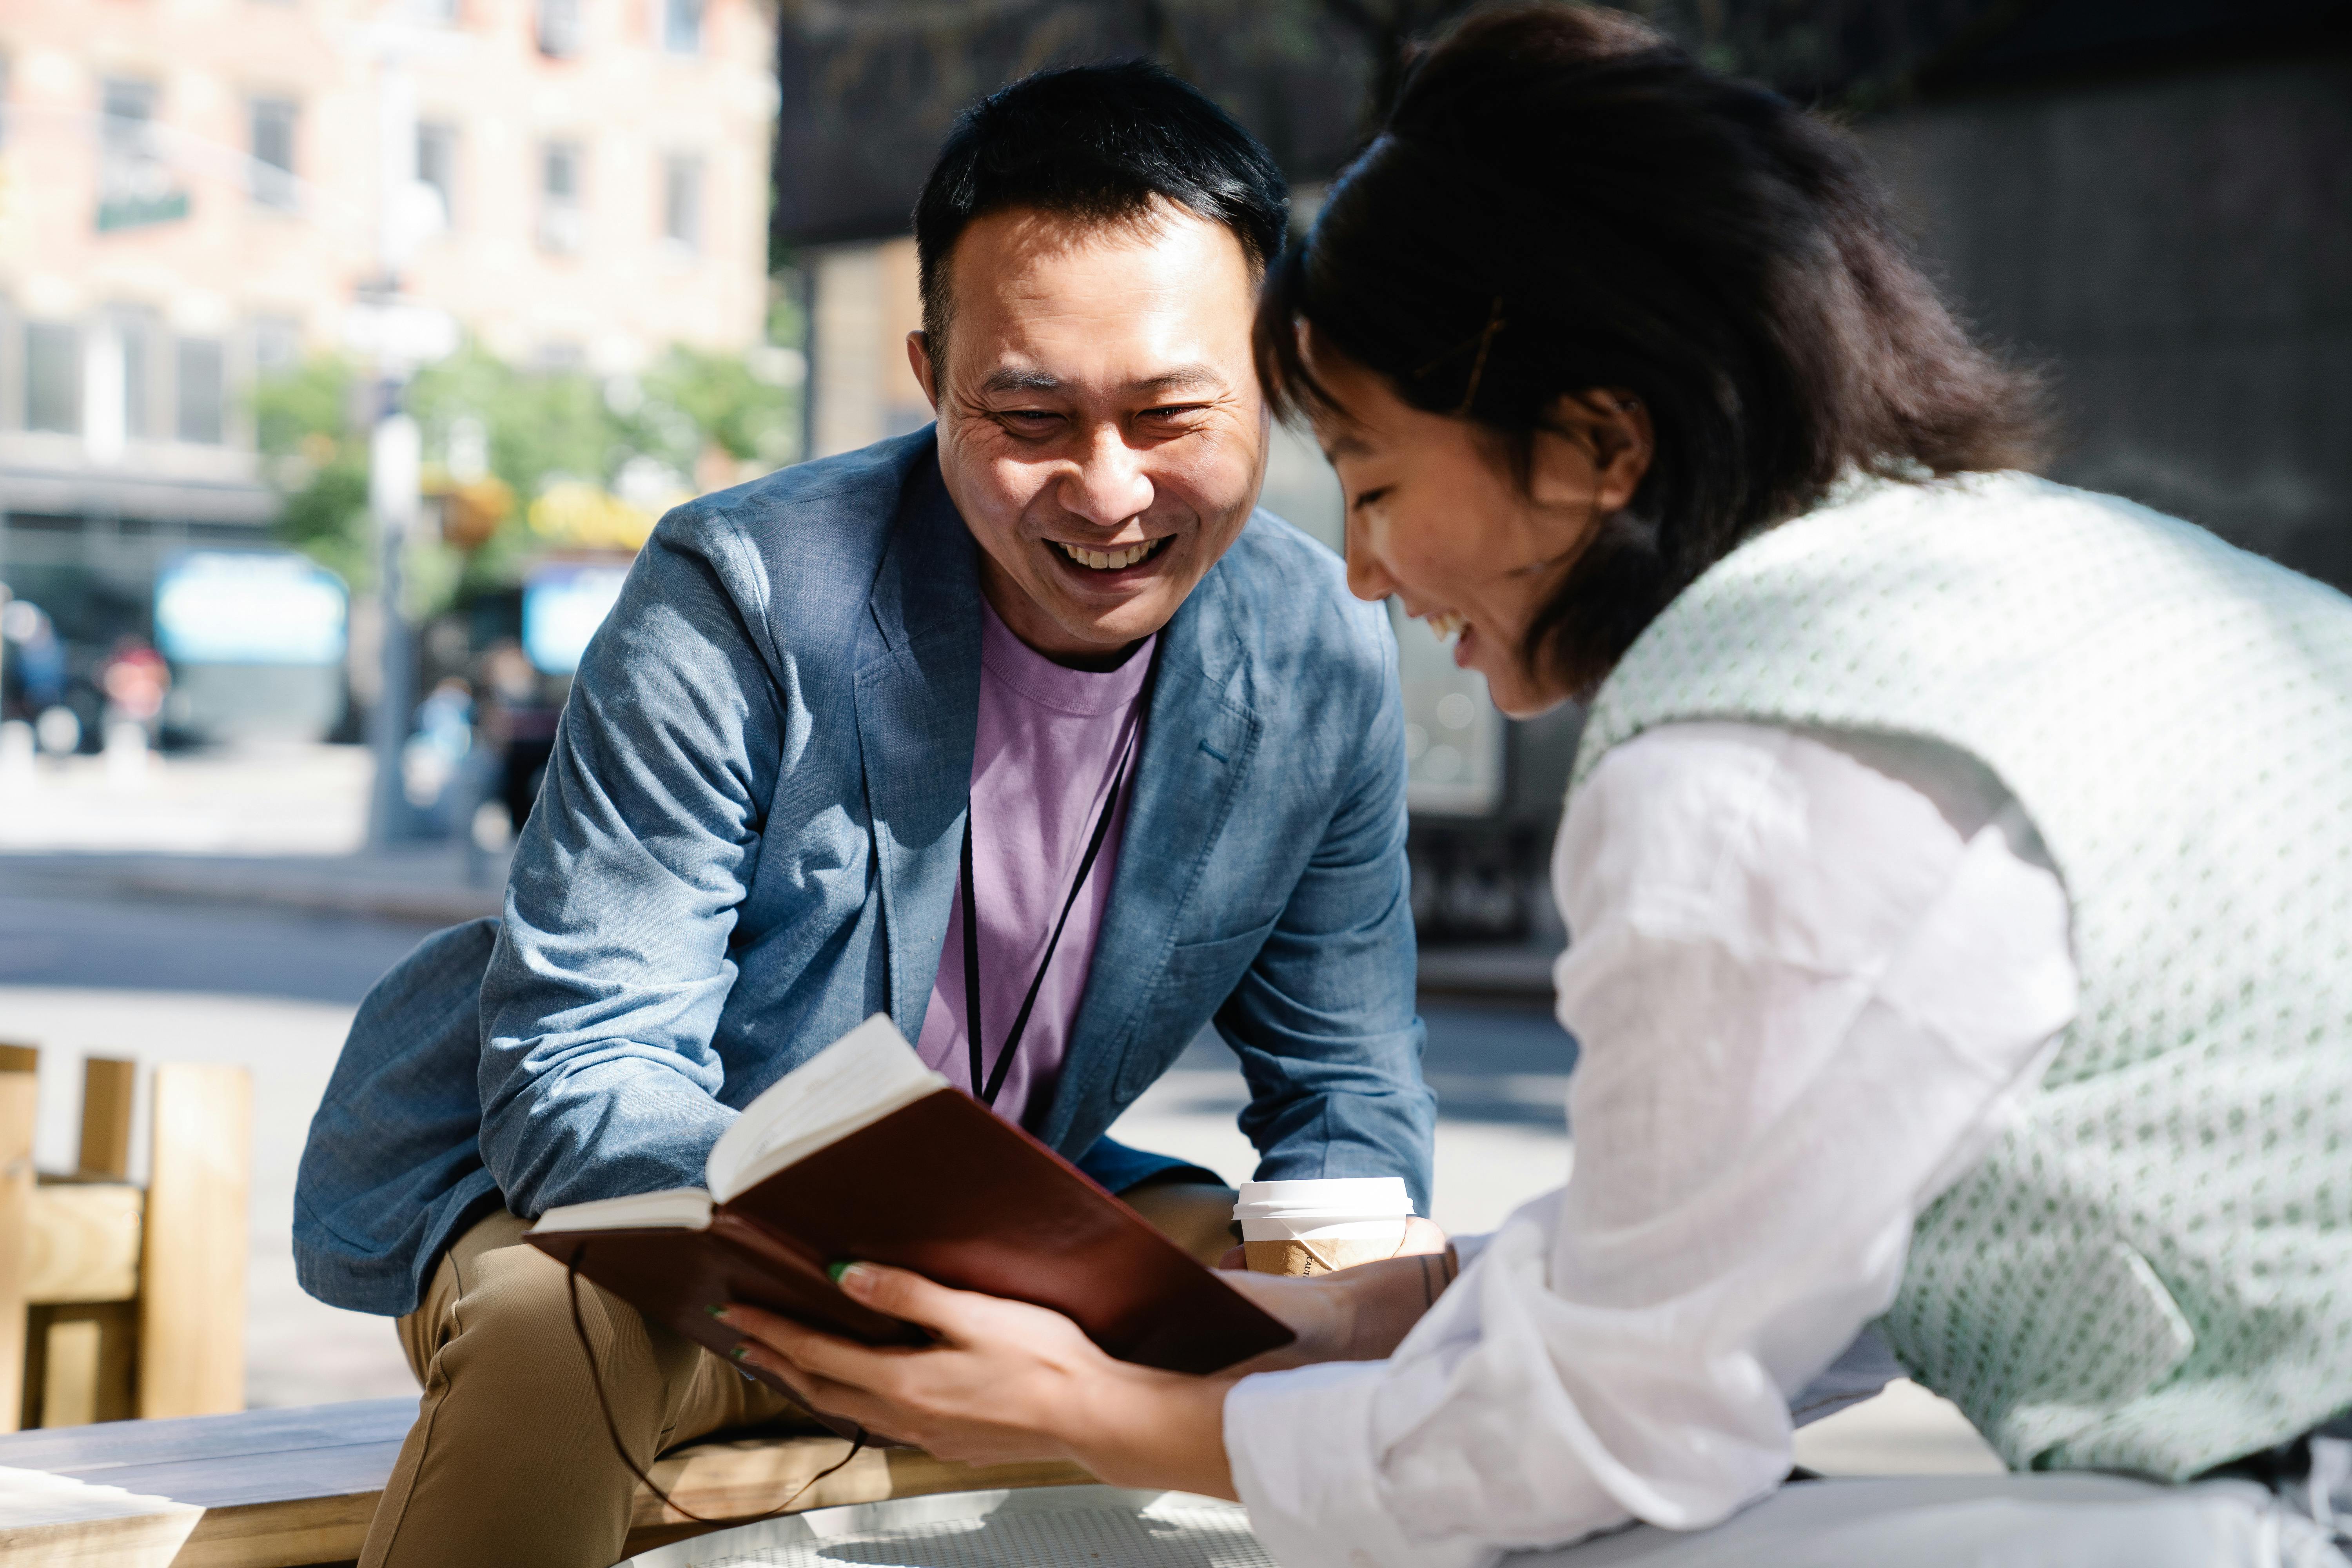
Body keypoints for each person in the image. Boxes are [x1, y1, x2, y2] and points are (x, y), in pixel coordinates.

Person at [718, 9, 2352, 1564]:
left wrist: (1115, 1416)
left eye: (1371, 476)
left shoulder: (1763, 765)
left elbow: (1607, 1429)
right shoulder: (2054, 572)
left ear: (1591, 446)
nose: (1358, 571)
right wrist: (1369, 1309)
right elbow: (1764, 1256)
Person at [295, 62, 1444, 1568]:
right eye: (1030, 414)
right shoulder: (746, 591)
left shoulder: (1319, 642)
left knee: (1269, 1277)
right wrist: (904, 1273)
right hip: (651, 1228)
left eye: (1173, 414)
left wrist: (1345, 1305)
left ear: (1272, 375)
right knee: (547, 1317)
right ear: (928, 375)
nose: (1109, 495)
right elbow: (588, 1065)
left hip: (1009, 1237)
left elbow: (1348, 1099)